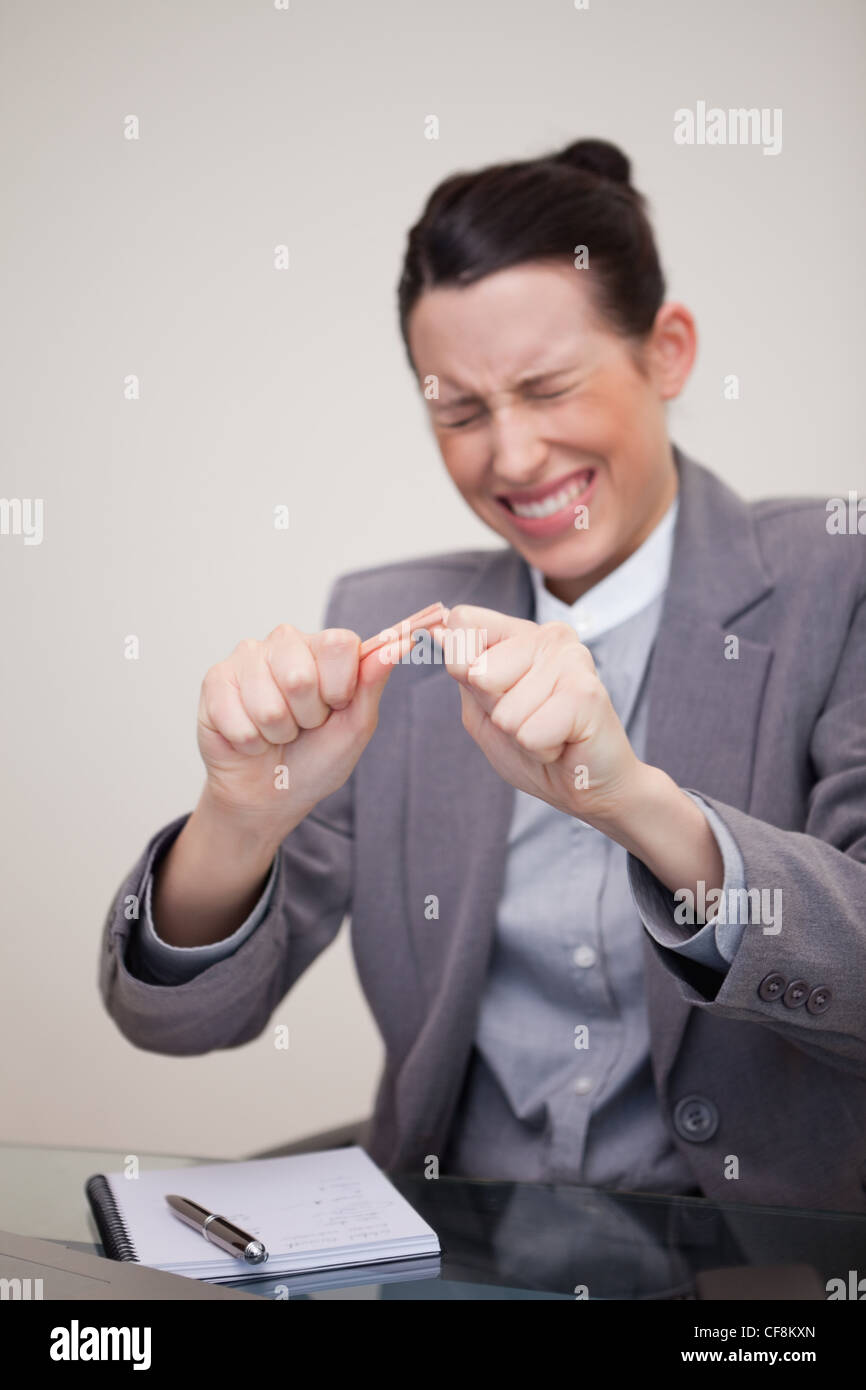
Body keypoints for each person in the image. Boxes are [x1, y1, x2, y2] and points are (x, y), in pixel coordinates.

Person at [98, 138, 866, 1212]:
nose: (508, 458)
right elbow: (177, 1020)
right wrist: (236, 812)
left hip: (764, 1269)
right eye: (457, 411)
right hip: (452, 1251)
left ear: (668, 351)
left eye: (547, 387)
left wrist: (633, 804)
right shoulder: (382, 625)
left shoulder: (838, 575)